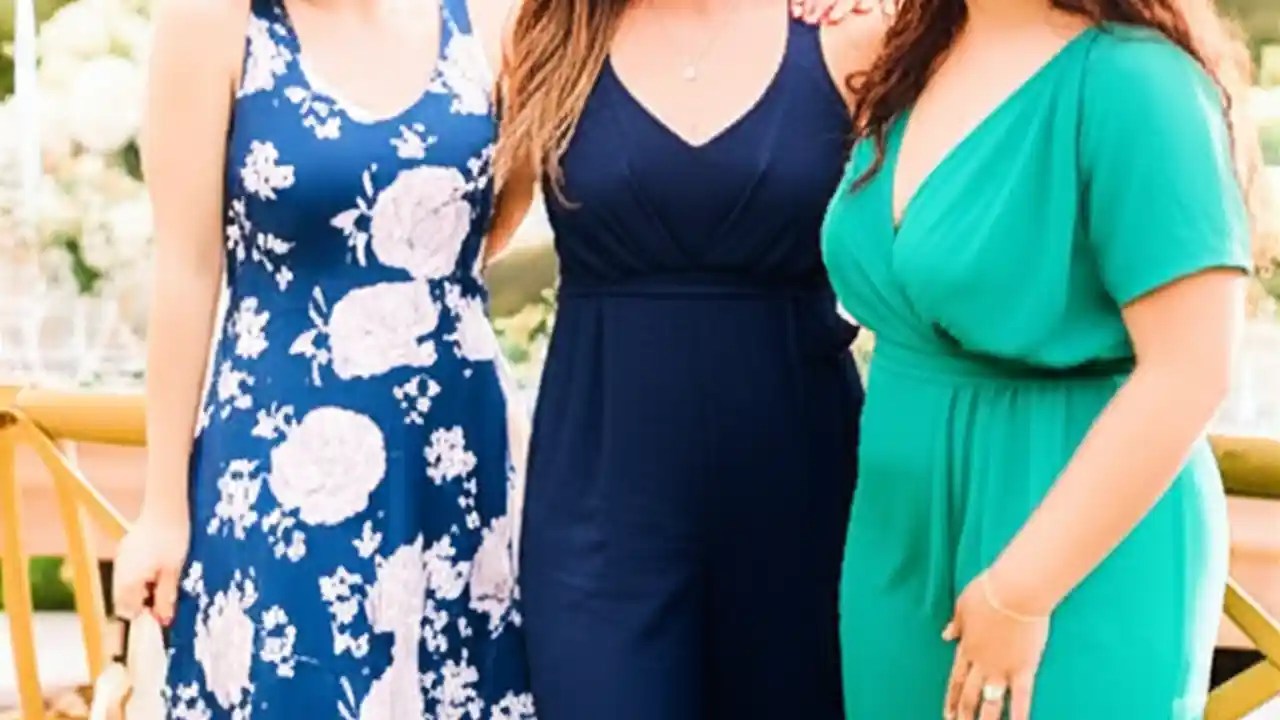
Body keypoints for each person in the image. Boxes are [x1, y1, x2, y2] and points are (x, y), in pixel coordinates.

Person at [821, 0, 1261, 717]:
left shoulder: (1137, 81)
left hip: (1072, 548)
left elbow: (1192, 367)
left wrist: (1022, 591)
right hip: (896, 543)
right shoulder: (913, 54)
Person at [110, 0, 537, 714]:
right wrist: (162, 509)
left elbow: (501, 212)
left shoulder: (494, 18)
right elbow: (186, 271)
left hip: (458, 461)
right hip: (280, 466)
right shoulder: (213, 20)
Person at [497, 0, 885, 717]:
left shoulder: (850, 33)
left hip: (804, 500)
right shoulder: (549, 37)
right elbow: (456, 234)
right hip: (599, 519)